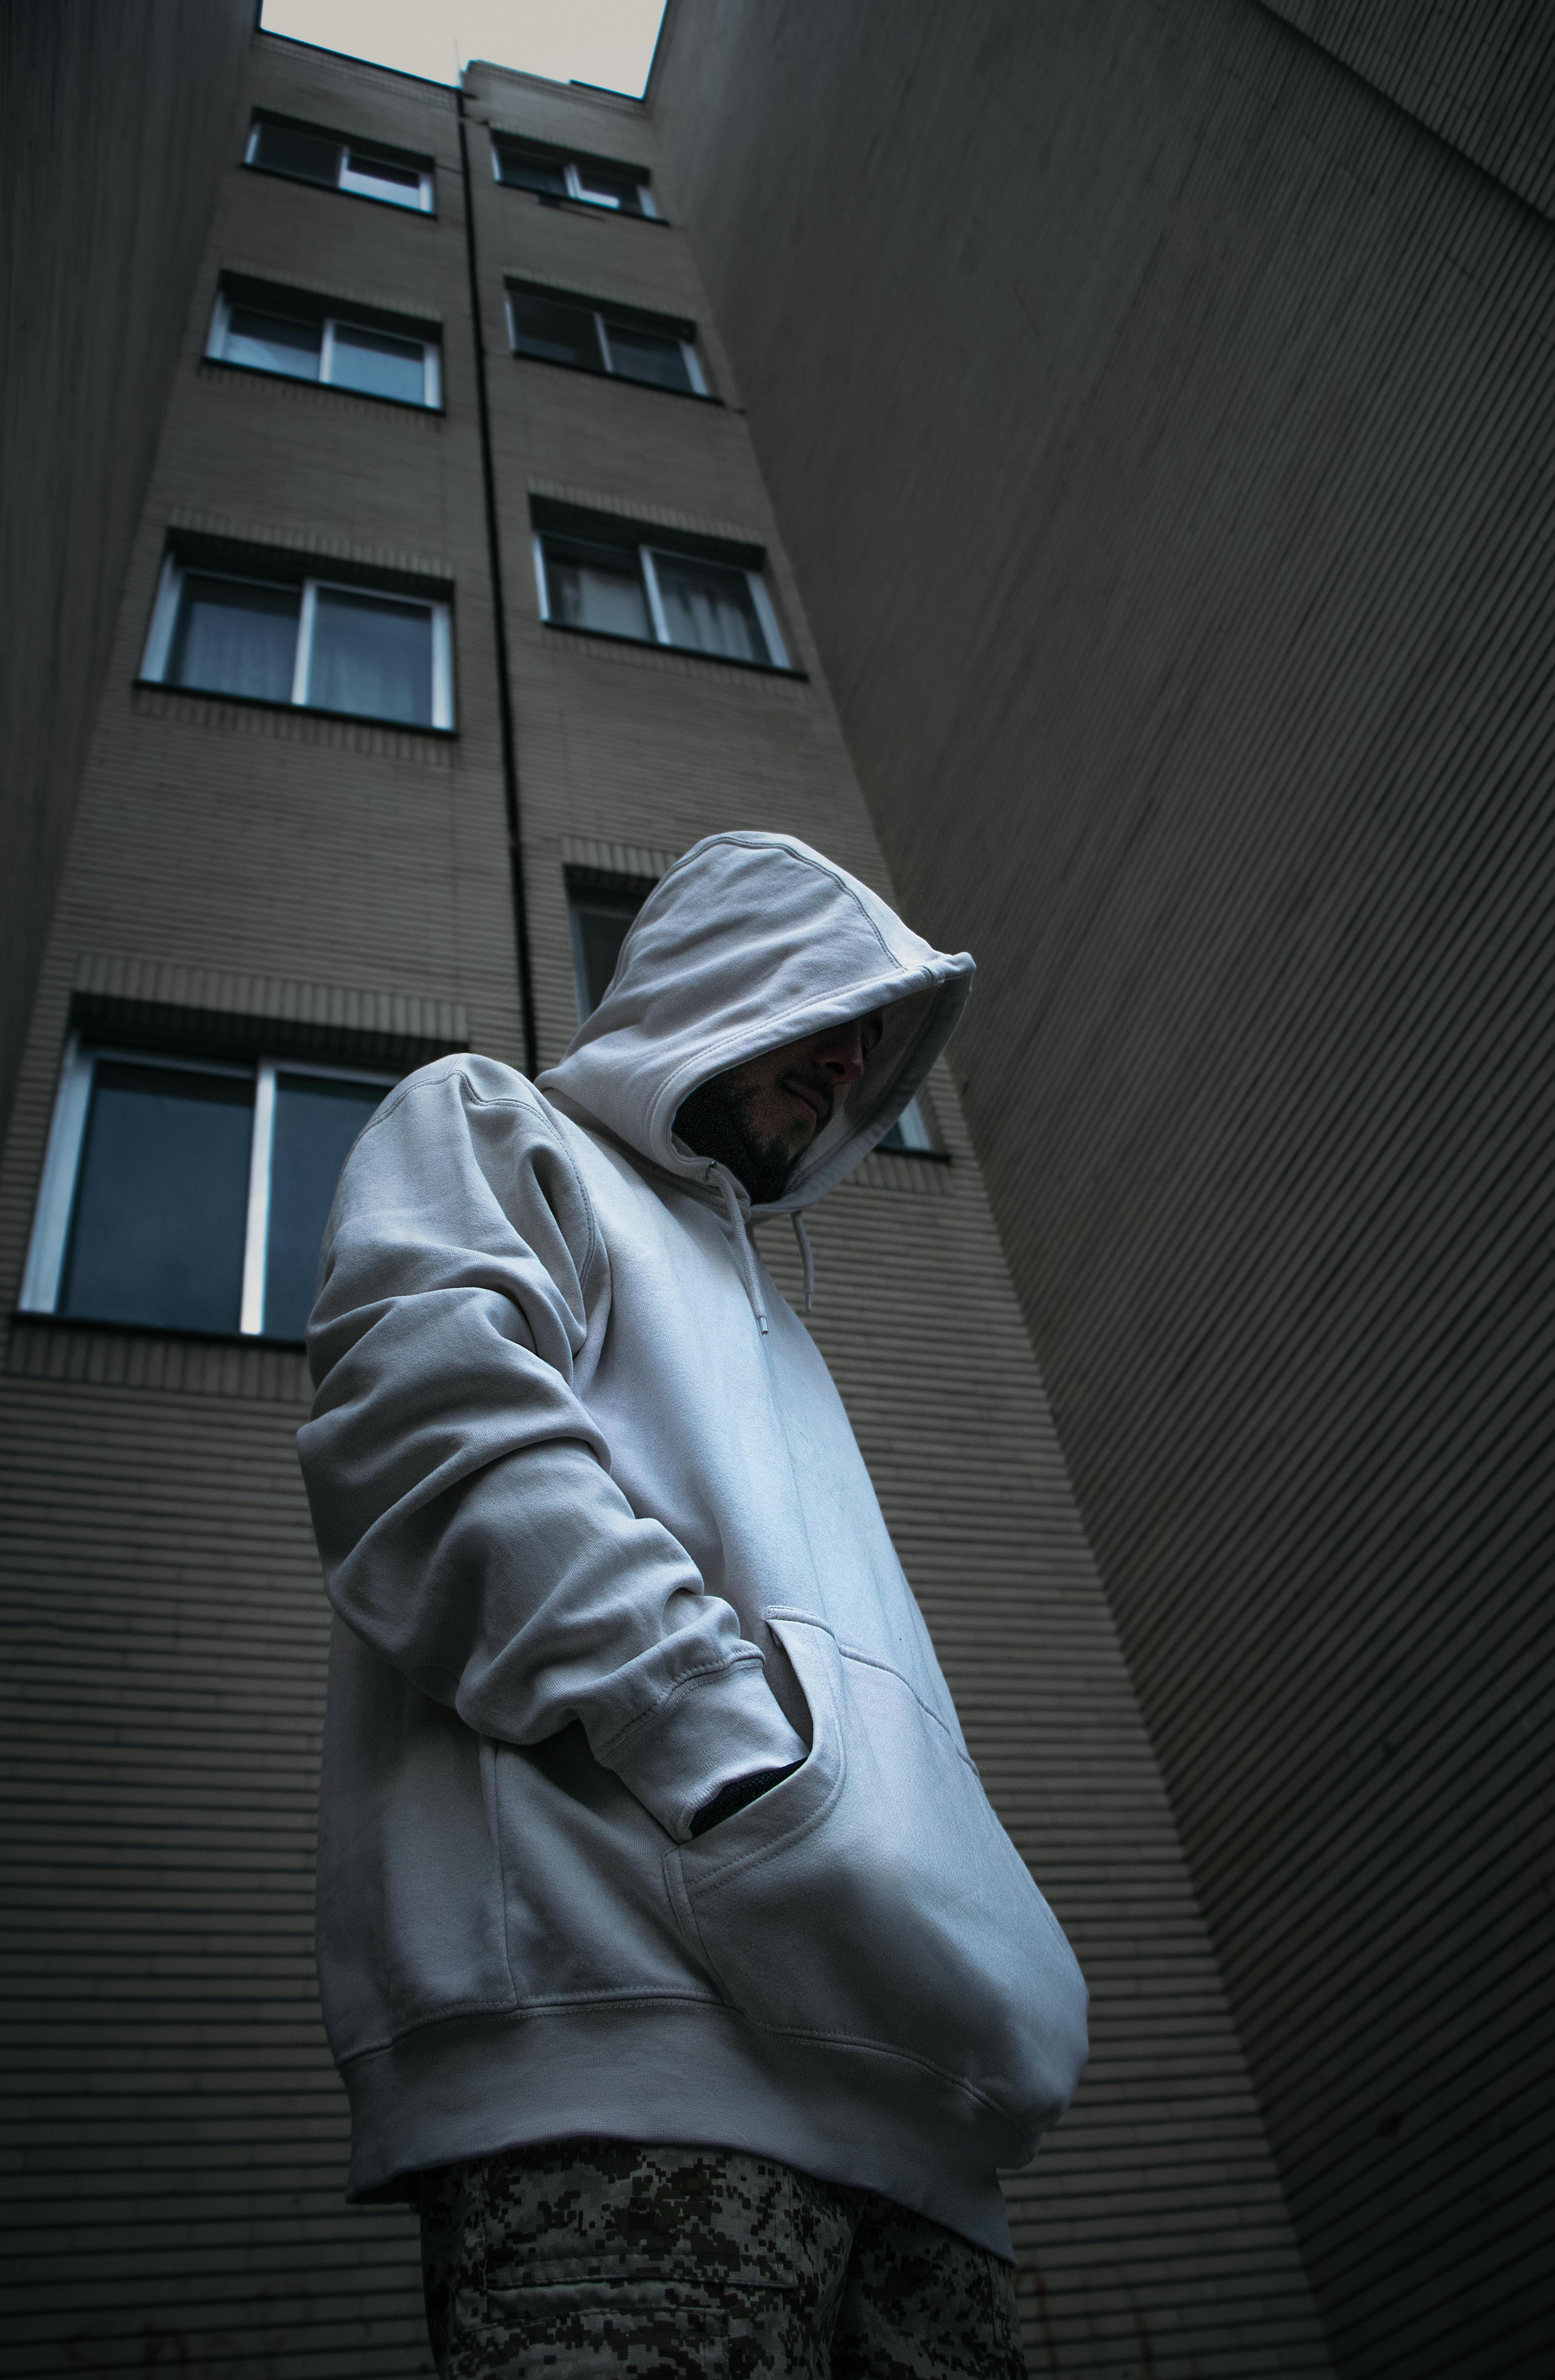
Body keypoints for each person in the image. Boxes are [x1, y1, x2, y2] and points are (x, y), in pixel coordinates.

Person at [298, 830, 1088, 2376]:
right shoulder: (492, 1125)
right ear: (726, 987)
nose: (855, 1055)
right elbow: (434, 1445)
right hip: (626, 2070)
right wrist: (730, 1769)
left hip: (925, 2121)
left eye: (881, 1039)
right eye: (827, 1006)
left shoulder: (784, 1333)